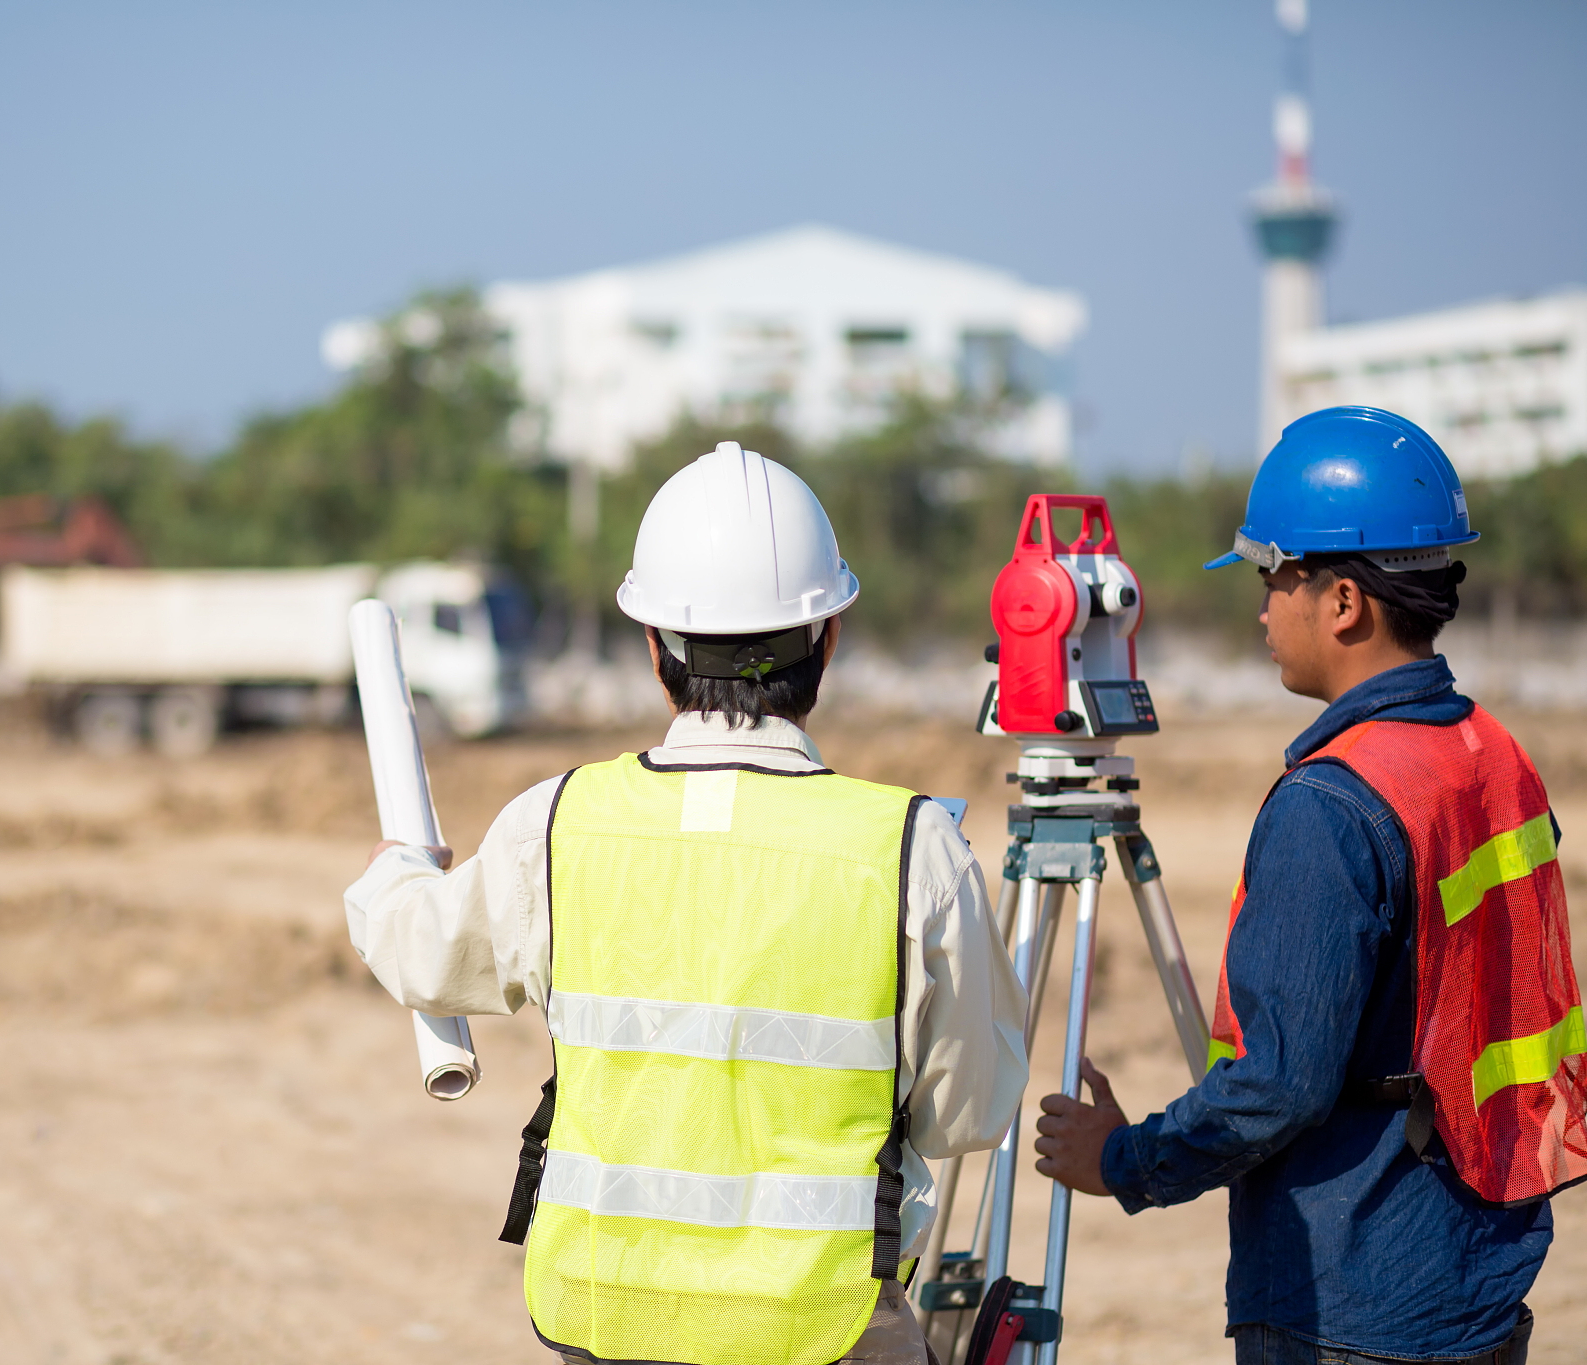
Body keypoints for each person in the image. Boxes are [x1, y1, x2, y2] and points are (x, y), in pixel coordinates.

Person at [345, 442, 1028, 1365]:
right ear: (828, 637)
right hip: (822, 1331)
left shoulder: (557, 823)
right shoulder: (911, 850)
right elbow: (969, 1115)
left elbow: (419, 950)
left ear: (653, 644)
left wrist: (400, 869)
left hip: (607, 1322)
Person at [1032, 407, 1584, 1365]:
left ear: (1342, 602)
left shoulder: (1335, 804)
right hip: (1481, 1266)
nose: (1260, 610)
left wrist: (1124, 1160)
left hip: (1353, 1298)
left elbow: (1279, 1083)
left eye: (1270, 578)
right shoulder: (1491, 752)